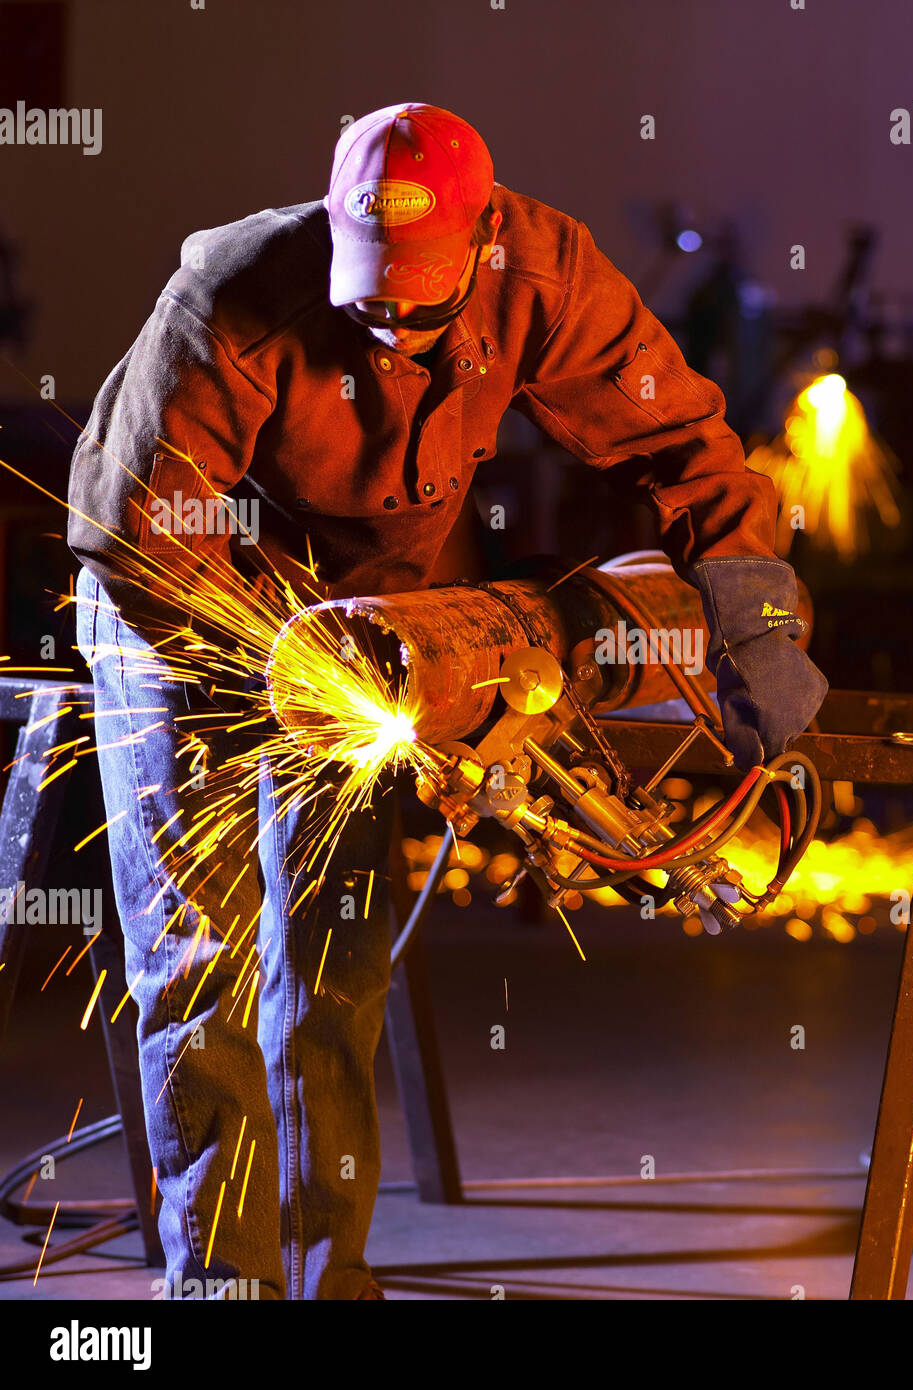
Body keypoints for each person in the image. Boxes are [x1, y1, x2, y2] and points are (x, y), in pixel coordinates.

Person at [67, 103, 826, 1299]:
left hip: (376, 612)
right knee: (197, 956)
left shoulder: (547, 272)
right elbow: (142, 538)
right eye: (370, 296)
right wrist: (288, 667)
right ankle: (219, 1281)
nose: (392, 321)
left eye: (421, 300)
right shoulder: (231, 291)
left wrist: (760, 625)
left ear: (481, 244)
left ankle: (328, 1276)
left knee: (336, 957)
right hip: (188, 607)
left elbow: (685, 448)